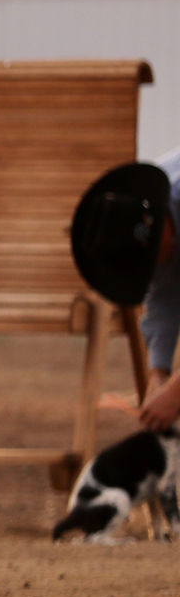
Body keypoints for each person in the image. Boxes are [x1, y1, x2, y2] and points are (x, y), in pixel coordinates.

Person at [71, 156, 180, 430]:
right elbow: (164, 299)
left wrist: (175, 392)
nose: (153, 269)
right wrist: (158, 375)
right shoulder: (149, 212)